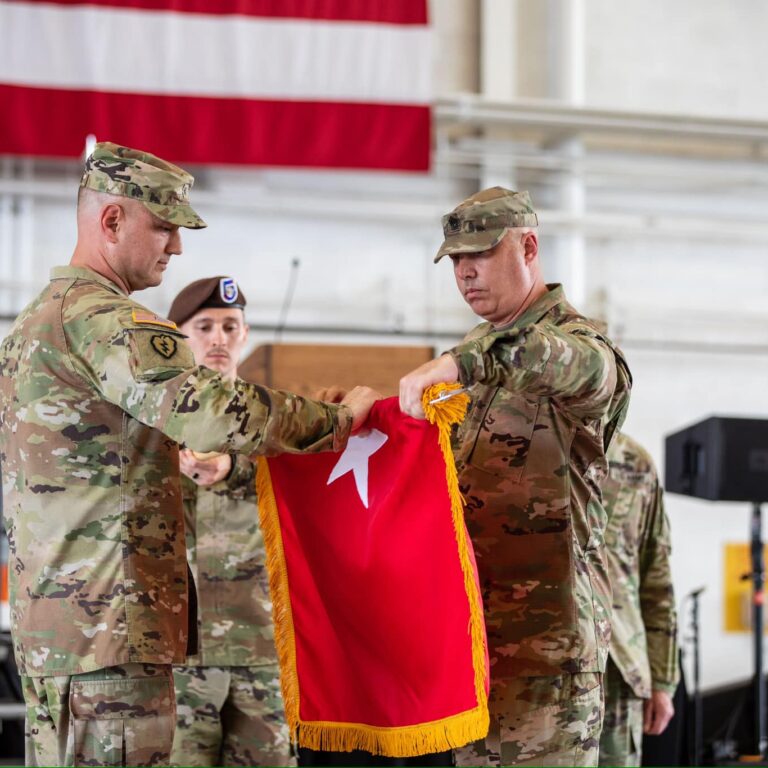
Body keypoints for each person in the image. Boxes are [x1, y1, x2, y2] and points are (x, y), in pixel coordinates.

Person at [0, 142, 378, 768]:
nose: (176, 248)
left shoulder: (33, 324)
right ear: (112, 220)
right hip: (111, 636)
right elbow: (211, 410)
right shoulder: (108, 321)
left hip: (57, 628)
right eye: (165, 227)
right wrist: (338, 422)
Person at [399, 187, 632, 767]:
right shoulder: (470, 350)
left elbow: (574, 368)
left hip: (546, 658)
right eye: (455, 259)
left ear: (528, 247)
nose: (465, 271)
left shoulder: (581, 346)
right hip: (472, 647)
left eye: (479, 253)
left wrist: (464, 363)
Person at [166, 276, 293, 767]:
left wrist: (235, 467)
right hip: (180, 651)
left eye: (229, 325)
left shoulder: (274, 419)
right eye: (204, 326)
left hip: (260, 644)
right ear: (179, 338)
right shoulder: (151, 421)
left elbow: (301, 485)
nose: (218, 337)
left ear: (245, 334)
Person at [598, 432, 679, 767]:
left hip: (618, 672)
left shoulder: (634, 462)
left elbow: (655, 578)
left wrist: (662, 680)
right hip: (517, 668)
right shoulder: (499, 438)